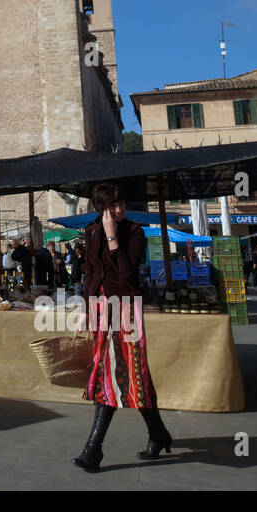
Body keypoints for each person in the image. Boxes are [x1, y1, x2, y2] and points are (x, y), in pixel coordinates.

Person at [74, 183, 171, 472]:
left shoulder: (134, 232)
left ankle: (93, 450)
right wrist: (86, 309)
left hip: (126, 309)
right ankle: (159, 434)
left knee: (123, 374)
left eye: (121, 204)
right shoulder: (91, 232)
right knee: (120, 374)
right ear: (101, 208)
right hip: (102, 311)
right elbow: (90, 273)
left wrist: (113, 238)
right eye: (111, 206)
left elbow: (128, 276)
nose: (118, 209)